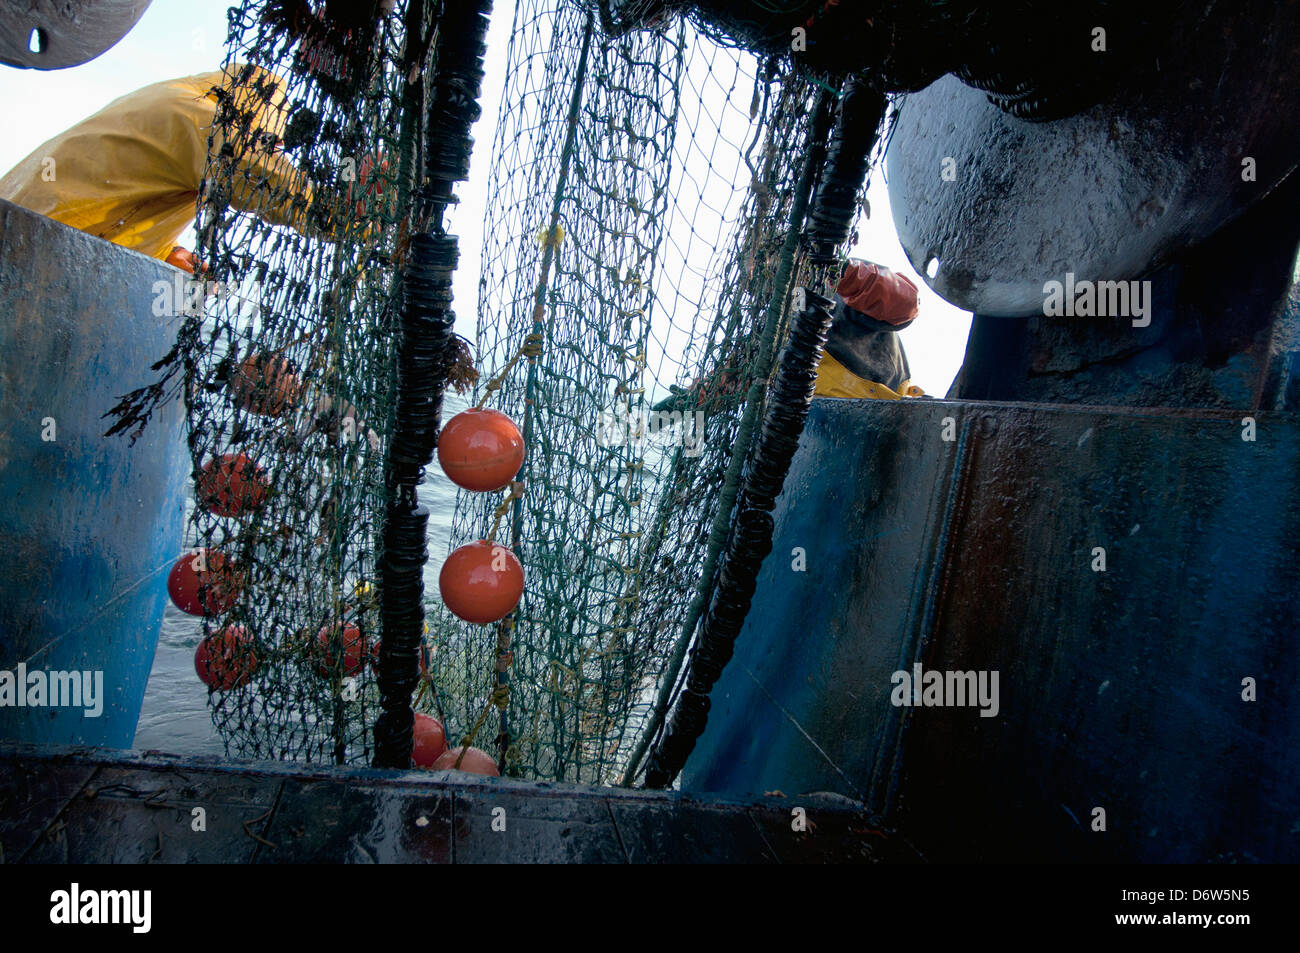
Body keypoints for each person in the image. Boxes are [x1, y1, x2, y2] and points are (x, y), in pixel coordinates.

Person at [0, 62, 323, 262]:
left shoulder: (167, 95)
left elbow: (124, 193)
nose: (274, 149)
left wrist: (165, 251)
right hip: (37, 254)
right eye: (271, 140)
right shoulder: (205, 124)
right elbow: (301, 204)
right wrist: (361, 203)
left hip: (19, 229)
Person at [813, 259, 926, 400]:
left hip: (882, 406)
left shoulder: (827, 279)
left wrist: (846, 272)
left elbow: (906, 303)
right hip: (811, 414)